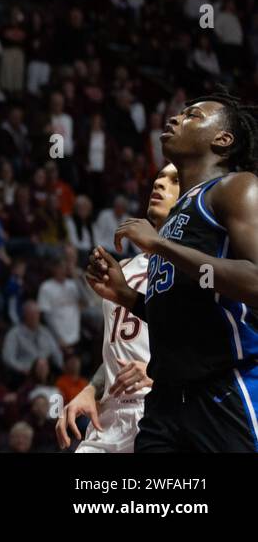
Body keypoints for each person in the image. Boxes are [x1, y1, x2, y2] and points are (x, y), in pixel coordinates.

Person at [87, 93, 258, 452]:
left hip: (223, 391)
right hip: (165, 403)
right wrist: (127, 297)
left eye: (193, 116)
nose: (176, 119)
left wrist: (160, 247)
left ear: (222, 139)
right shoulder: (175, 218)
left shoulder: (236, 188)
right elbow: (183, 315)